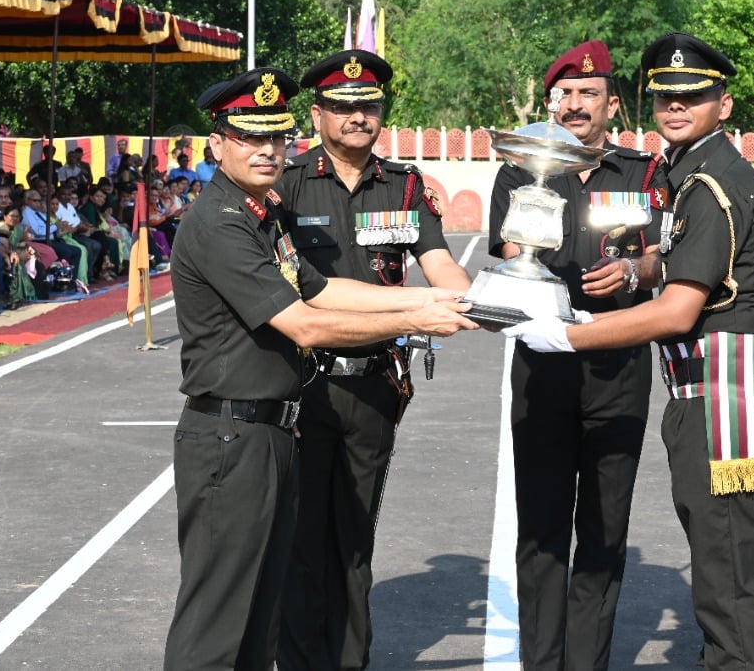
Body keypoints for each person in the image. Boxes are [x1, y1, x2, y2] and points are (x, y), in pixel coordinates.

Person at [163, 66, 476, 671]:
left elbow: (326, 287)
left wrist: (429, 300)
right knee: (216, 625)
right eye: (250, 137)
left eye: (274, 137)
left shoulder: (260, 216)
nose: (266, 150)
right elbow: (305, 322)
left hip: (271, 430)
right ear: (217, 144)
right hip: (231, 434)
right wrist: (414, 320)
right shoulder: (222, 223)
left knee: (257, 616)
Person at [503, 32, 754, 671]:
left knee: (727, 576)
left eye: (692, 97)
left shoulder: (696, 180)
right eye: (666, 96)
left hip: (720, 393)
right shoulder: (685, 173)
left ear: (723, 104)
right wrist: (641, 271)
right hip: (692, 389)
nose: (675, 107)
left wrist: (570, 331)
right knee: (723, 572)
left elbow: (679, 309)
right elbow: (679, 259)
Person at [272, 49, 474, 671]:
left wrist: (488, 294)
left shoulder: (405, 185)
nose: (358, 116)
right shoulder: (285, 184)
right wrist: (419, 304)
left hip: (377, 388)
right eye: (343, 106)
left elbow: (442, 268)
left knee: (356, 539)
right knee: (301, 540)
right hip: (302, 384)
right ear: (317, 114)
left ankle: (349, 661)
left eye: (369, 106)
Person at [486, 40, 667, 670]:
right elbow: (508, 252)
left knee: (603, 527)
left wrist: (634, 273)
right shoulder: (521, 168)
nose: (575, 105)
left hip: (617, 365)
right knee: (539, 530)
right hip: (543, 365)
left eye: (589, 94)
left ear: (612, 105)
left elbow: (664, 255)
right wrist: (524, 260)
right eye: (564, 93)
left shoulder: (645, 171)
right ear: (550, 102)